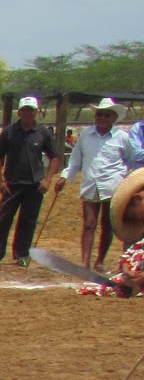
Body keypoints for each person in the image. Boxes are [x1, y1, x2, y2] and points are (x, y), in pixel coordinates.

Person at [55, 98, 133, 271]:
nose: (102, 118)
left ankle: (100, 261)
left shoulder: (122, 137)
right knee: (89, 223)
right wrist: (64, 177)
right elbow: (75, 159)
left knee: (108, 225)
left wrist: (124, 177)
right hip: (90, 183)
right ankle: (85, 262)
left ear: (113, 118)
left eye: (107, 115)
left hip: (113, 185)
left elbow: (129, 159)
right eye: (100, 114)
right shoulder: (86, 134)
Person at [0, 97, 62, 266]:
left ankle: (21, 255)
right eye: (24, 110)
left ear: (36, 112)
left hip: (34, 185)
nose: (27, 113)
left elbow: (55, 157)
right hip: (11, 184)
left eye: (31, 110)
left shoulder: (42, 132)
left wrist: (48, 180)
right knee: (4, 219)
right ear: (19, 112)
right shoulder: (9, 132)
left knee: (27, 221)